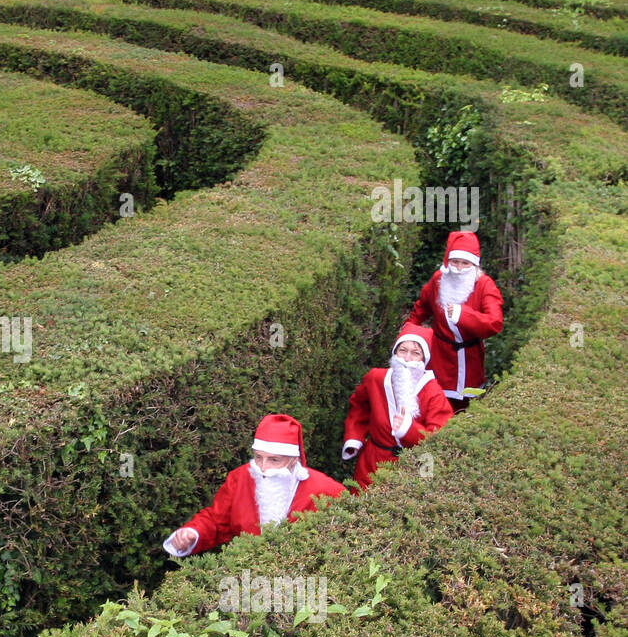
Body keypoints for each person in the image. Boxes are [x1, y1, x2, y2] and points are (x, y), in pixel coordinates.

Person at [163, 414, 346, 558]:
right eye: (258, 457)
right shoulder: (241, 477)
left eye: (274, 460)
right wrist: (193, 533)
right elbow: (217, 521)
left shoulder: (329, 492)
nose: (263, 467)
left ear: (293, 460)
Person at [341, 323, 453, 491]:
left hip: (412, 465)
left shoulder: (433, 392)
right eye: (402, 350)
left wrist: (409, 430)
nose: (407, 359)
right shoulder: (376, 378)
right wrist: (354, 437)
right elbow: (359, 405)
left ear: (424, 359)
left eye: (415, 353)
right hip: (372, 462)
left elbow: (440, 438)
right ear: (395, 352)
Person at [407, 230, 503, 412]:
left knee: (467, 406)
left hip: (470, 360)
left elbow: (494, 323)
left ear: (474, 265)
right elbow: (420, 309)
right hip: (439, 357)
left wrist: (463, 315)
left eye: (465, 263)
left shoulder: (484, 285)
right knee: (435, 403)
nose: (458, 268)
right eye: (455, 262)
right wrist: (407, 338)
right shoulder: (438, 280)